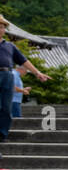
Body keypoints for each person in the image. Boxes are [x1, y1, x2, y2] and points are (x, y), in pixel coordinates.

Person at [0, 16, 49, 145]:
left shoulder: (10, 46)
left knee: (6, 107)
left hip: (7, 74)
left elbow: (23, 61)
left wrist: (37, 73)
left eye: (2, 27)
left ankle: (2, 134)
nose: (0, 29)